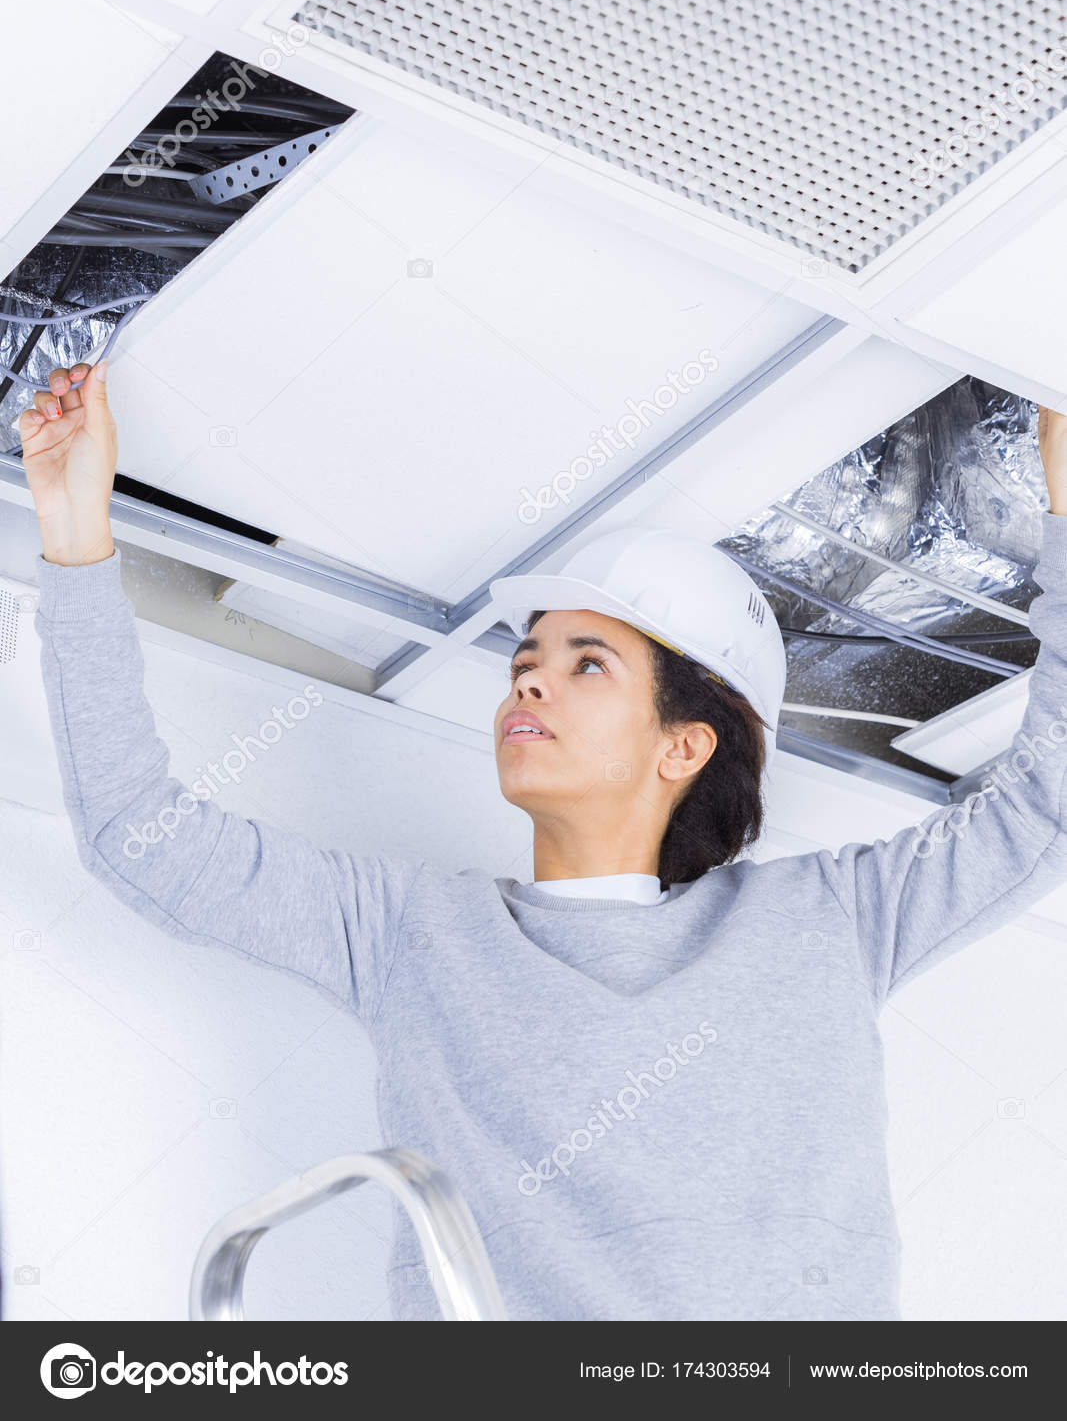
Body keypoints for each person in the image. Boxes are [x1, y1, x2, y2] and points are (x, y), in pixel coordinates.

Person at [18, 360, 1067, 1322]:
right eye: (524, 661)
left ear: (682, 744)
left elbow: (1043, 805)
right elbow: (140, 832)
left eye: (585, 663)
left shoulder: (828, 919)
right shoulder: (409, 932)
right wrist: (73, 538)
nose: (527, 681)